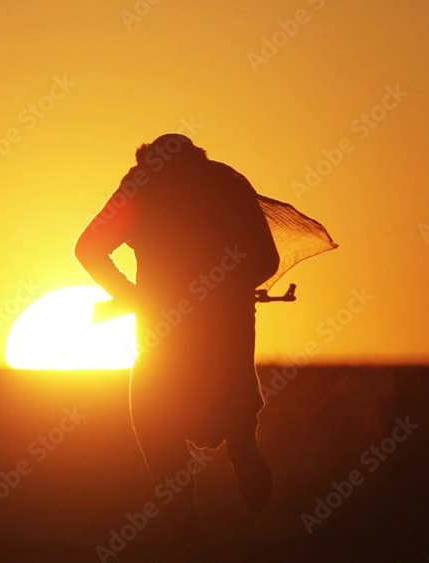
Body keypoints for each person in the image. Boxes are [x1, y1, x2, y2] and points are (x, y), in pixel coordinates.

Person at [74, 133, 279, 529]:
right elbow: (266, 260)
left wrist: (131, 295)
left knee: (157, 421)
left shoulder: (143, 187)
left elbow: (88, 248)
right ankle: (238, 459)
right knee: (228, 413)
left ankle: (183, 524)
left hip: (165, 332)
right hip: (221, 329)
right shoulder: (227, 183)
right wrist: (222, 287)